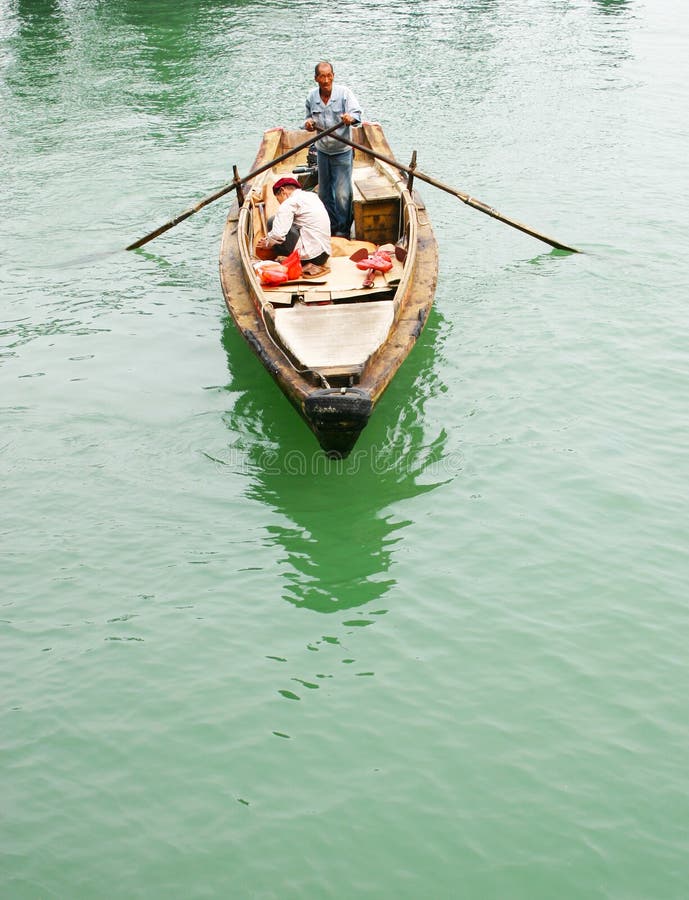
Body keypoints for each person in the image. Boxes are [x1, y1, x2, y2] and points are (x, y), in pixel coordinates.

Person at [304, 61, 362, 238]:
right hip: (322, 151)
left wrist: (350, 118)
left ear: (333, 76)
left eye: (329, 76)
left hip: (342, 151)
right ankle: (331, 226)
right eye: (322, 76)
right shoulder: (311, 97)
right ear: (316, 78)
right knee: (324, 193)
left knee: (342, 194)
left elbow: (357, 115)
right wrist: (309, 124)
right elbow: (307, 119)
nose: (326, 80)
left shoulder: (344, 93)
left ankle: (343, 230)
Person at [256, 176, 331, 273]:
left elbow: (278, 234)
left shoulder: (289, 202)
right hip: (324, 255)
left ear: (282, 191)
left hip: (311, 257)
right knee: (282, 227)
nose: (280, 203)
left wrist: (267, 243)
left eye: (278, 199)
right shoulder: (312, 196)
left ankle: (292, 260)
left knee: (272, 221)